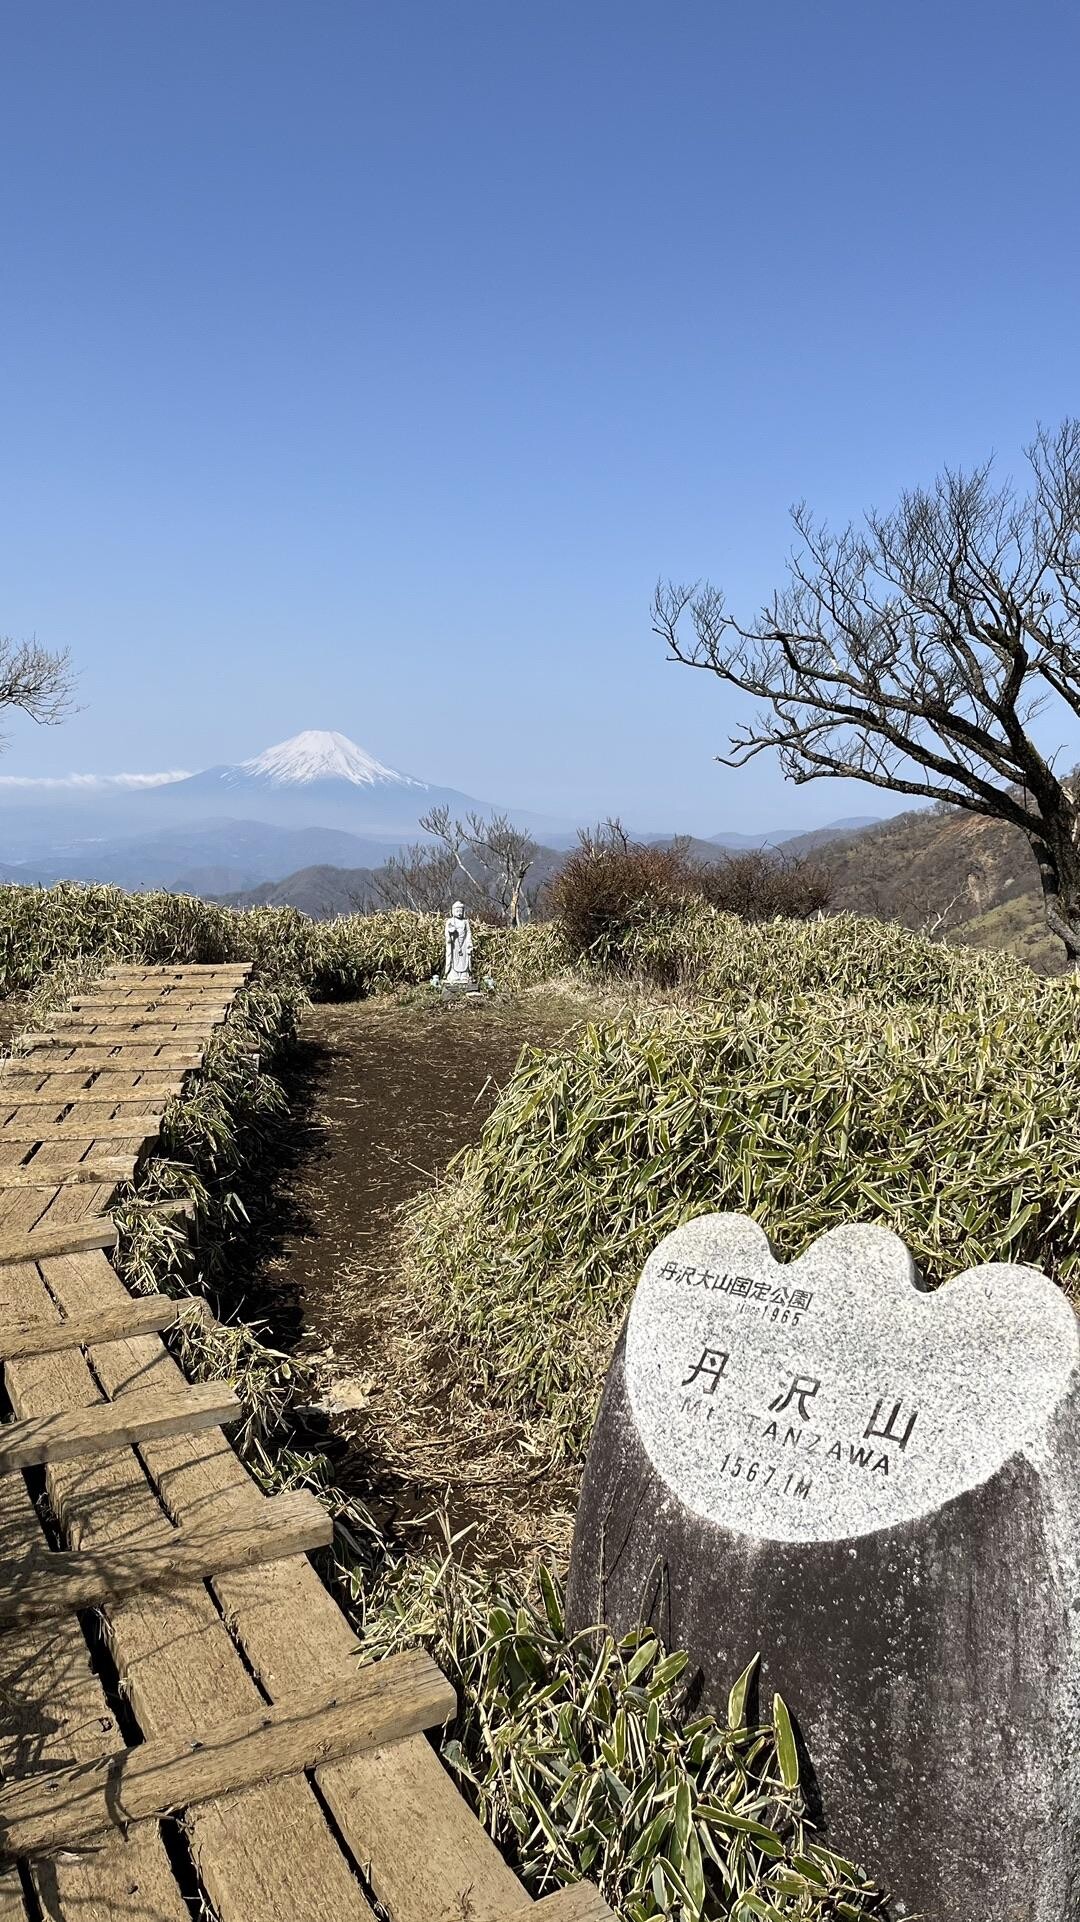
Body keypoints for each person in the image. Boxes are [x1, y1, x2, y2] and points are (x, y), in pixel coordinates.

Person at [443, 901, 474, 986]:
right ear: (453, 911)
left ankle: (464, 974)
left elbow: (468, 932)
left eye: (461, 911)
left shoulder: (465, 921)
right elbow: (446, 933)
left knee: (464, 959)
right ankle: (453, 975)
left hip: (464, 943)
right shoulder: (450, 921)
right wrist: (450, 933)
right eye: (457, 911)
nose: (459, 913)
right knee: (454, 958)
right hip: (454, 943)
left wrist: (469, 942)